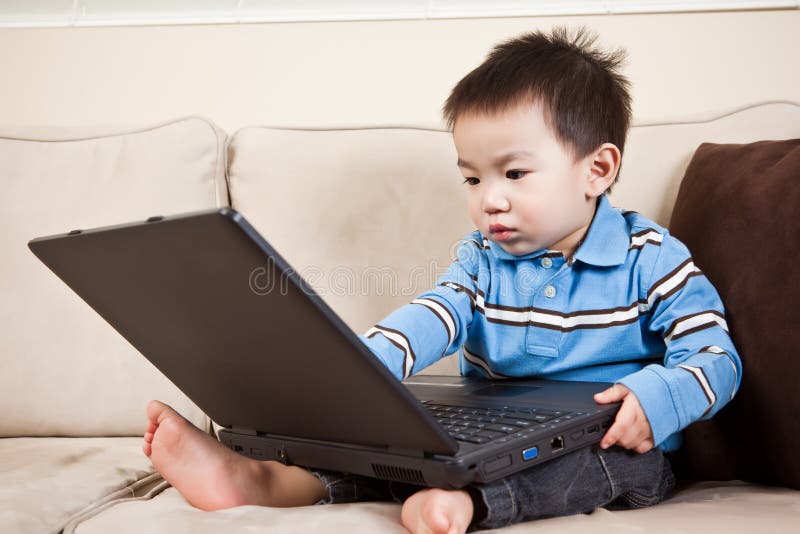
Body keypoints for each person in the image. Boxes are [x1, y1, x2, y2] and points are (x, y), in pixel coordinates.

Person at [142, 26, 742, 533]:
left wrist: (655, 398)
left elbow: (716, 356)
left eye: (513, 172)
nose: (490, 201)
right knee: (401, 442)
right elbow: (439, 312)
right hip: (490, 431)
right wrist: (367, 367)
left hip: (612, 442)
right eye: (473, 180)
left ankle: (469, 503)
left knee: (594, 465)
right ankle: (266, 479)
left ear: (597, 169)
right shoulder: (482, 257)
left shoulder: (651, 257)